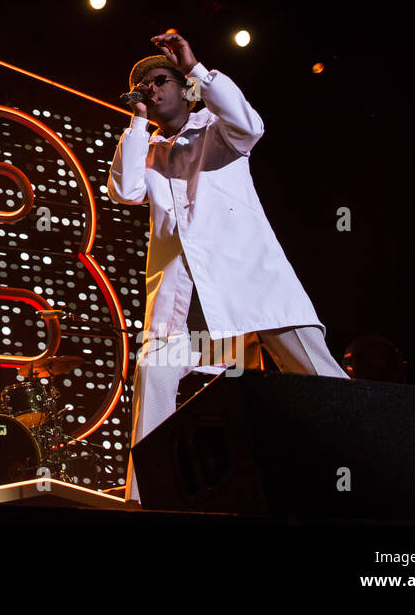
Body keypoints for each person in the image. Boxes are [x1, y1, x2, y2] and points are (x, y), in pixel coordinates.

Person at [107, 32, 349, 504]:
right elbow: (125, 190)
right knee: (153, 377)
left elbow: (249, 124)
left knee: (321, 377)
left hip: (251, 282)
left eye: (159, 81)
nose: (151, 92)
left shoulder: (217, 130)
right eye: (142, 88)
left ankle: (374, 465)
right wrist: (136, 124)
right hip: (181, 298)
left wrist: (196, 67)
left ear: (184, 88)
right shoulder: (147, 149)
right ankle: (145, 498)